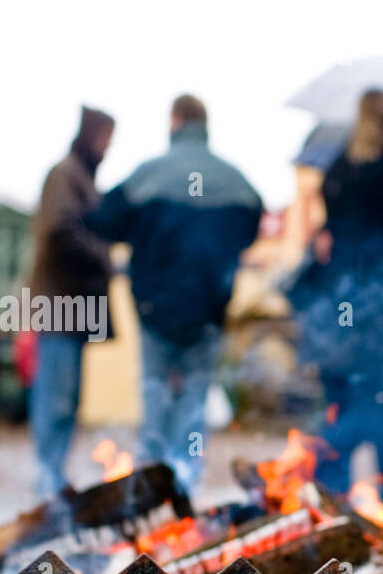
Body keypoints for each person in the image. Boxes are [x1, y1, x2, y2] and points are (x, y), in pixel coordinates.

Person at [87, 94, 261, 495]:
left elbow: (104, 220)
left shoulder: (148, 174)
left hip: (154, 310)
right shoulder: (237, 182)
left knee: (155, 393)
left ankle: (149, 487)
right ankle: (185, 487)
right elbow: (250, 227)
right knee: (195, 402)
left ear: (175, 121)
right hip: (208, 314)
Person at [287, 89, 383, 503]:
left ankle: (334, 510)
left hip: (338, 320)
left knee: (340, 411)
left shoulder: (337, 175)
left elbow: (331, 242)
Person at [27, 106, 115, 497]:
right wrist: (102, 257)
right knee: (57, 398)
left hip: (75, 309)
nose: (107, 147)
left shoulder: (83, 180)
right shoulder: (65, 175)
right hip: (61, 307)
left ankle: (54, 477)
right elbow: (61, 230)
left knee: (68, 398)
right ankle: (48, 482)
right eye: (104, 138)